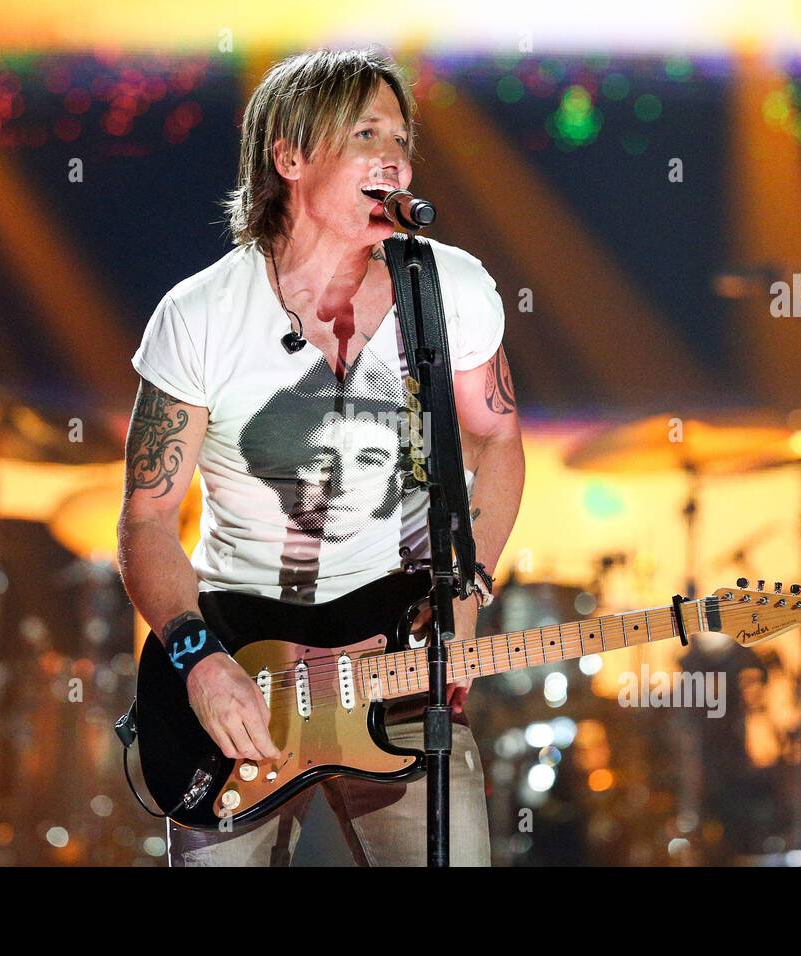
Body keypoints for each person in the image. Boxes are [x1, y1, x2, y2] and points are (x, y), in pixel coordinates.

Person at [117, 48, 525, 866]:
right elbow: (147, 518)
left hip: (397, 652)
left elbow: (498, 440)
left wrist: (465, 594)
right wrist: (199, 662)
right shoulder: (200, 315)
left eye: (402, 138)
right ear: (290, 156)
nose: (395, 156)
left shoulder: (450, 289)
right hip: (242, 651)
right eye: (366, 132)